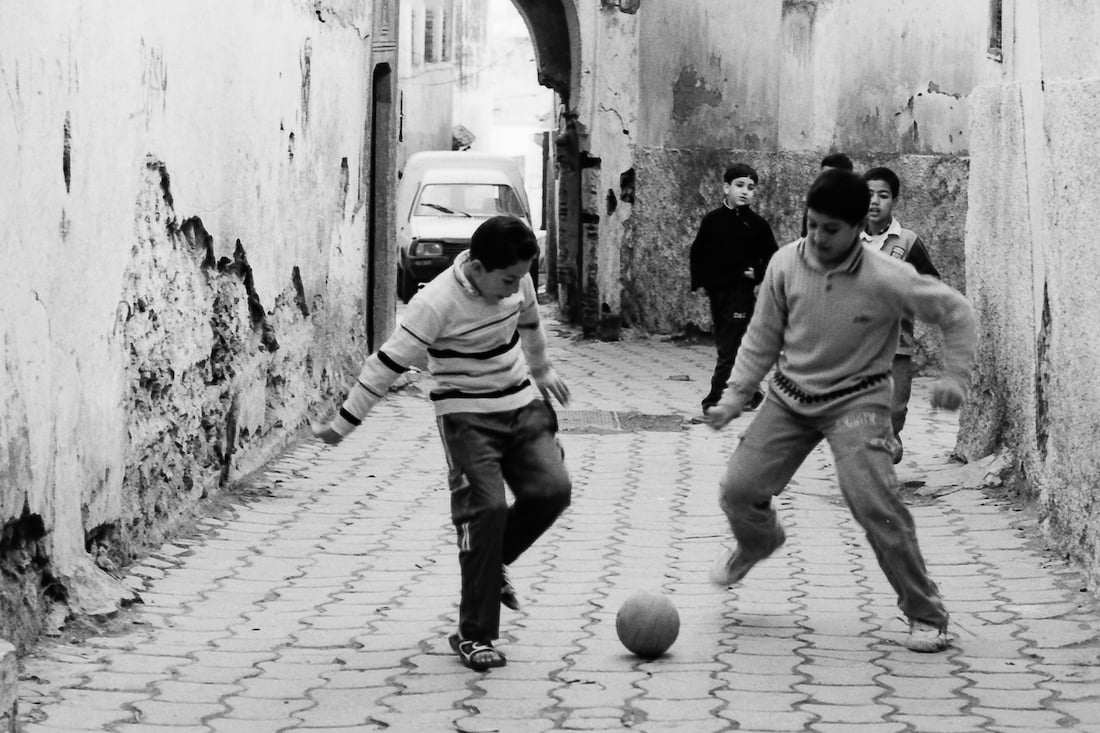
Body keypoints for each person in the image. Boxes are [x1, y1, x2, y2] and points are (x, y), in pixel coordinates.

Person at [704, 169, 976, 653]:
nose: (817, 237)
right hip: (790, 397)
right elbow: (761, 338)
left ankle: (925, 611)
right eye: (811, 225)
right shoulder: (785, 264)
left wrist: (955, 377)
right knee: (738, 490)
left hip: (858, 402)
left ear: (856, 229)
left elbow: (956, 312)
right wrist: (732, 396)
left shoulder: (886, 275)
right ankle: (758, 542)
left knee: (876, 507)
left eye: (830, 229)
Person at [313, 216, 572, 672]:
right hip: (466, 415)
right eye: (508, 279)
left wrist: (543, 367)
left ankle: (492, 566)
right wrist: (342, 424)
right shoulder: (434, 303)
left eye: (522, 278)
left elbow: (529, 323)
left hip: (520, 402)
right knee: (486, 511)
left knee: (553, 490)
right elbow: (386, 365)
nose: (516, 289)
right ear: (476, 266)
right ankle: (474, 636)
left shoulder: (520, 282)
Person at [860, 166, 941, 464]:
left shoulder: (907, 241)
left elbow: (931, 283)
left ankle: (891, 435)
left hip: (897, 344)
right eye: (868, 195)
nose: (875, 202)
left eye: (883, 195)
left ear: (894, 200)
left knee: (894, 407)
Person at [689, 163, 778, 414]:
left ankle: (715, 399)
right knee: (731, 344)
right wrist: (700, 283)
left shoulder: (756, 225)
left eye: (751, 188)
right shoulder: (713, 221)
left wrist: (758, 274)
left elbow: (774, 256)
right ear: (726, 187)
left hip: (741, 293)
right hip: (719, 294)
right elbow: (699, 253)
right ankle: (751, 392)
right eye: (739, 185)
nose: (745, 192)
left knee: (730, 348)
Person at [801, 152, 854, 237]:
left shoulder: (856, 210)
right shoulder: (813, 208)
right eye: (823, 176)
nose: (826, 181)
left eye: (832, 177)